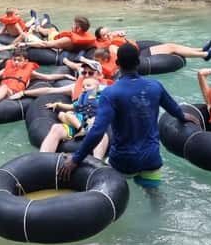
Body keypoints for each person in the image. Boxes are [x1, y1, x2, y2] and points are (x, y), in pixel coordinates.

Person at [59, 42, 198, 189]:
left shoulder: (110, 93)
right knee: (155, 196)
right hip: (151, 159)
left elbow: (98, 131)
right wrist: (183, 117)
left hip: (123, 161)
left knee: (112, 189)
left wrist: (76, 158)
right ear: (139, 62)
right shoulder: (155, 86)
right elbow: (174, 109)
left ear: (117, 63)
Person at [39, 59, 110, 159]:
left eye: (90, 73)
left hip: (94, 123)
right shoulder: (79, 89)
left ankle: (96, 165)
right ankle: (41, 162)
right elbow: (51, 90)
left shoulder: (107, 91)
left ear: (99, 75)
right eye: (84, 72)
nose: (86, 75)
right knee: (56, 127)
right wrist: (24, 93)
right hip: (78, 121)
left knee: (100, 133)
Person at [0, 46, 73, 115]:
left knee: (3, 87)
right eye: (14, 60)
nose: (16, 62)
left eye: (19, 60)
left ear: (25, 61)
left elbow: (47, 77)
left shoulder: (30, 72)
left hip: (13, 93)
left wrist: (65, 75)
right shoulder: (7, 69)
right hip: (2, 90)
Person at [94, 25, 211, 64]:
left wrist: (117, 34)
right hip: (139, 57)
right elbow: (120, 56)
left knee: (171, 45)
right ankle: (204, 55)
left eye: (108, 32)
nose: (109, 34)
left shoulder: (113, 37)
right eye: (105, 35)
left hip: (138, 49)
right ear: (101, 39)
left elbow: (123, 35)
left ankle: (200, 49)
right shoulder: (109, 46)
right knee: (171, 47)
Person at [24, 16, 96, 53]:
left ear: (79, 29)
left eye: (73, 24)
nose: (72, 25)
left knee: (50, 30)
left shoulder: (67, 40)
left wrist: (25, 44)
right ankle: (39, 28)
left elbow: (44, 44)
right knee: (52, 30)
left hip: (55, 44)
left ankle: (37, 27)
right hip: (61, 42)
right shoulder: (85, 36)